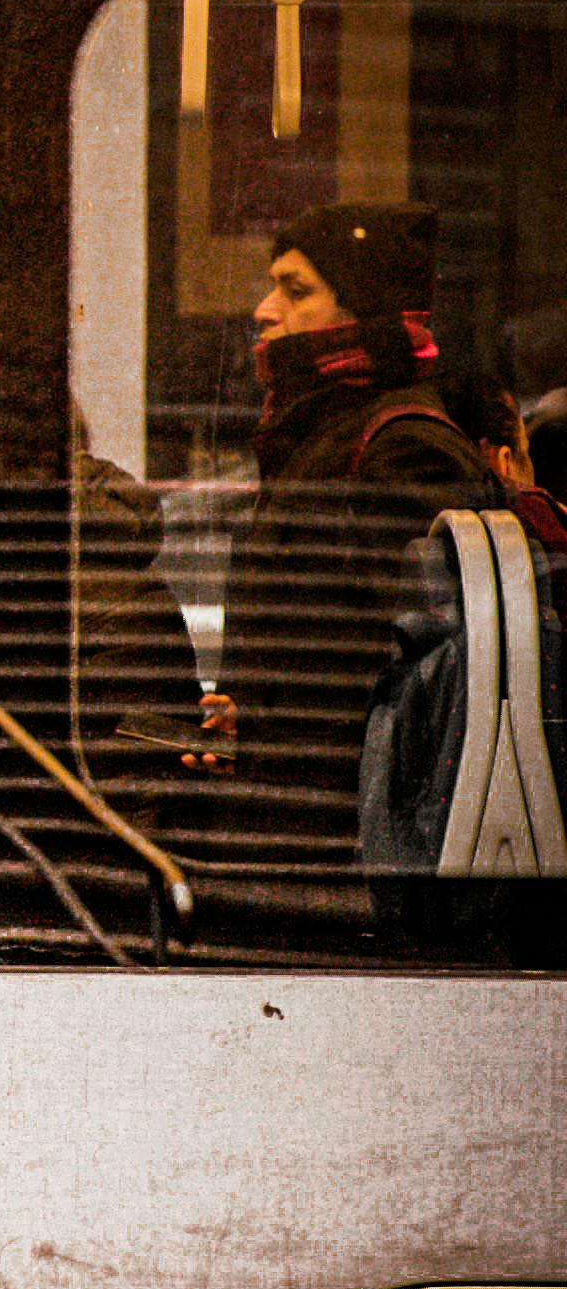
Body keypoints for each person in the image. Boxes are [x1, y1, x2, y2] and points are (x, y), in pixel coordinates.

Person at [197, 202, 495, 857]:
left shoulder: (400, 448)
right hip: (295, 816)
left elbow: (413, 671)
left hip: (346, 837)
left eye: (295, 289)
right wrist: (248, 717)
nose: (265, 309)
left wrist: (272, 731)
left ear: (364, 312)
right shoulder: (311, 436)